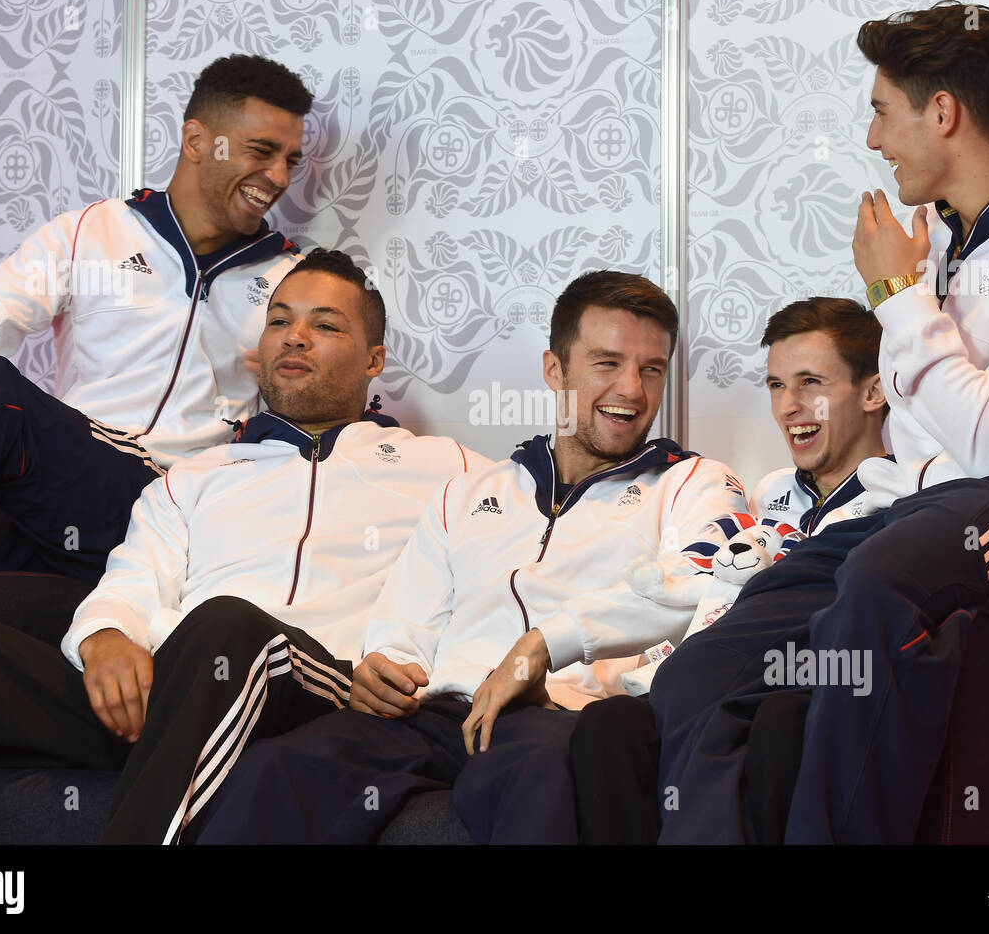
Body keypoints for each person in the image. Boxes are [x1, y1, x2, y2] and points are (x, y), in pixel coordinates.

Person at [652, 1, 989, 844]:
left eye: (882, 111)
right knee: (702, 672)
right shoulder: (964, 247)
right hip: (924, 513)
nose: (872, 139)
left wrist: (898, 295)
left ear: (944, 113)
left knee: (883, 582)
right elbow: (929, 444)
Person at [0, 250, 485, 843]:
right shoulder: (195, 475)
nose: (294, 336)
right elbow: (133, 579)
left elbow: (536, 567)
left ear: (375, 358)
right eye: (279, 321)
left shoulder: (446, 469)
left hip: (322, 688)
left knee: (228, 624)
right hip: (170, 695)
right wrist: (106, 636)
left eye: (324, 325)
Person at [192, 270, 752, 844]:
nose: (631, 390)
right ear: (554, 370)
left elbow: (696, 591)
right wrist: (385, 667)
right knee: (279, 767)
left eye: (651, 369)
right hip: (434, 717)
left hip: (559, 718)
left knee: (545, 775)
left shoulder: (697, 483)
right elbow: (407, 618)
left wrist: (546, 652)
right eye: (606, 364)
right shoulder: (473, 489)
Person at [0, 54, 310, 581]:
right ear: (196, 141)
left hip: (171, 507)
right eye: (262, 152)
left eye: (291, 160)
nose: (279, 176)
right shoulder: (90, 231)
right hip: (63, 486)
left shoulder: (294, 279)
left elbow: (316, 410)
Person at [567, 296, 889, 843]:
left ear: (873, 391)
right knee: (609, 725)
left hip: (810, 682)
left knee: (781, 723)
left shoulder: (900, 495)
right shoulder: (768, 493)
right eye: (776, 386)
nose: (789, 406)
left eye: (811, 382)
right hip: (721, 673)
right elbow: (712, 588)